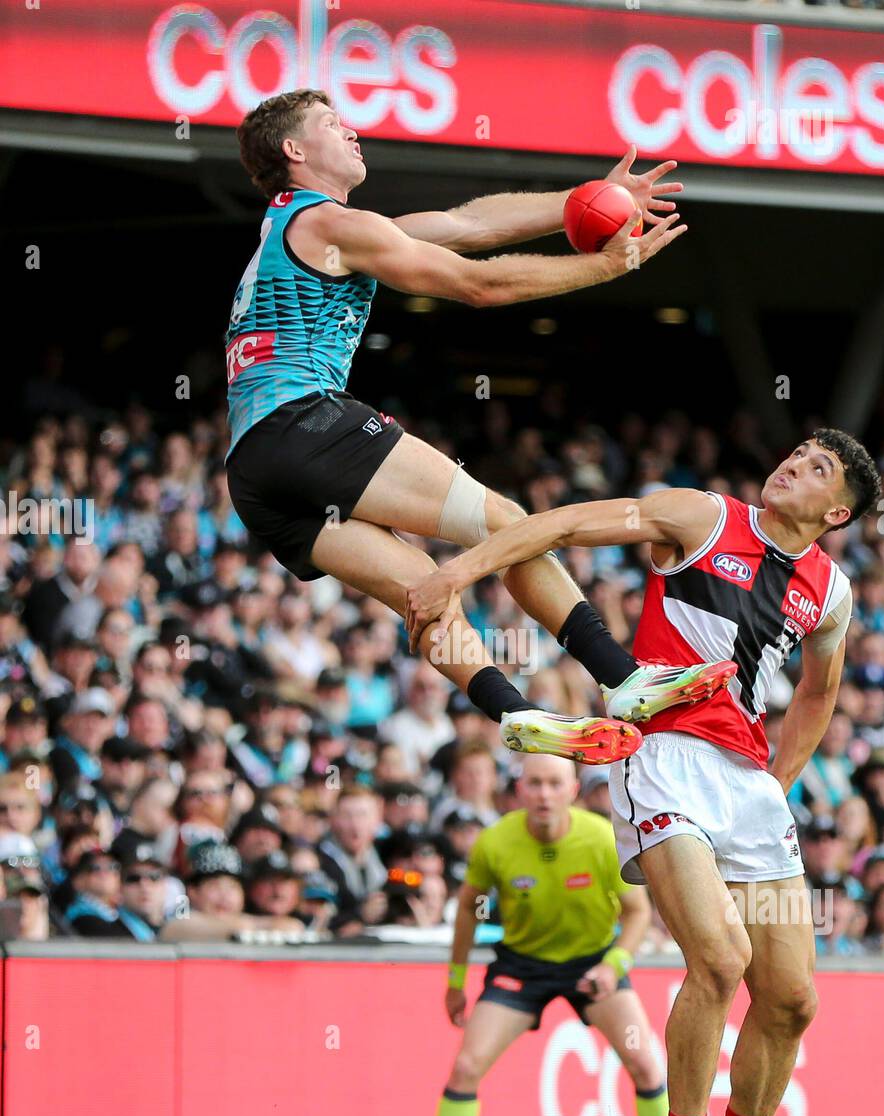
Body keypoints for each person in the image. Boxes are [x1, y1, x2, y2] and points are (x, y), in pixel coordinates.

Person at [405, 430, 882, 1116]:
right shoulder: (698, 516)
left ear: (834, 512)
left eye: (814, 469)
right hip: (658, 759)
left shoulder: (829, 590)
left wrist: (778, 783)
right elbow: (558, 527)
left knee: (793, 998)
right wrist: (456, 571)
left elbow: (819, 689)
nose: (790, 466)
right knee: (720, 962)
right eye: (796, 452)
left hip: (747, 786)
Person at [223, 88, 723, 768]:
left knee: (420, 587)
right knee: (507, 522)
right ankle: (624, 678)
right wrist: (605, 265)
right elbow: (475, 283)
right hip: (303, 419)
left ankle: (512, 712)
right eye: (333, 125)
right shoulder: (331, 226)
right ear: (295, 150)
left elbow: (468, 224)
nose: (353, 133)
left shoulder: (314, 231)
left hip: (254, 475)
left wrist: (581, 199)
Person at [391, 754, 668, 1116]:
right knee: (465, 1067)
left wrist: (614, 964)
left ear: (572, 790)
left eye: (553, 784)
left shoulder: (601, 838)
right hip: (522, 966)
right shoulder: (495, 842)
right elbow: (467, 912)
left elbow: (637, 912)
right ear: (519, 790)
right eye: (534, 784)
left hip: (592, 963)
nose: (543, 794)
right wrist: (455, 982)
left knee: (646, 1064)